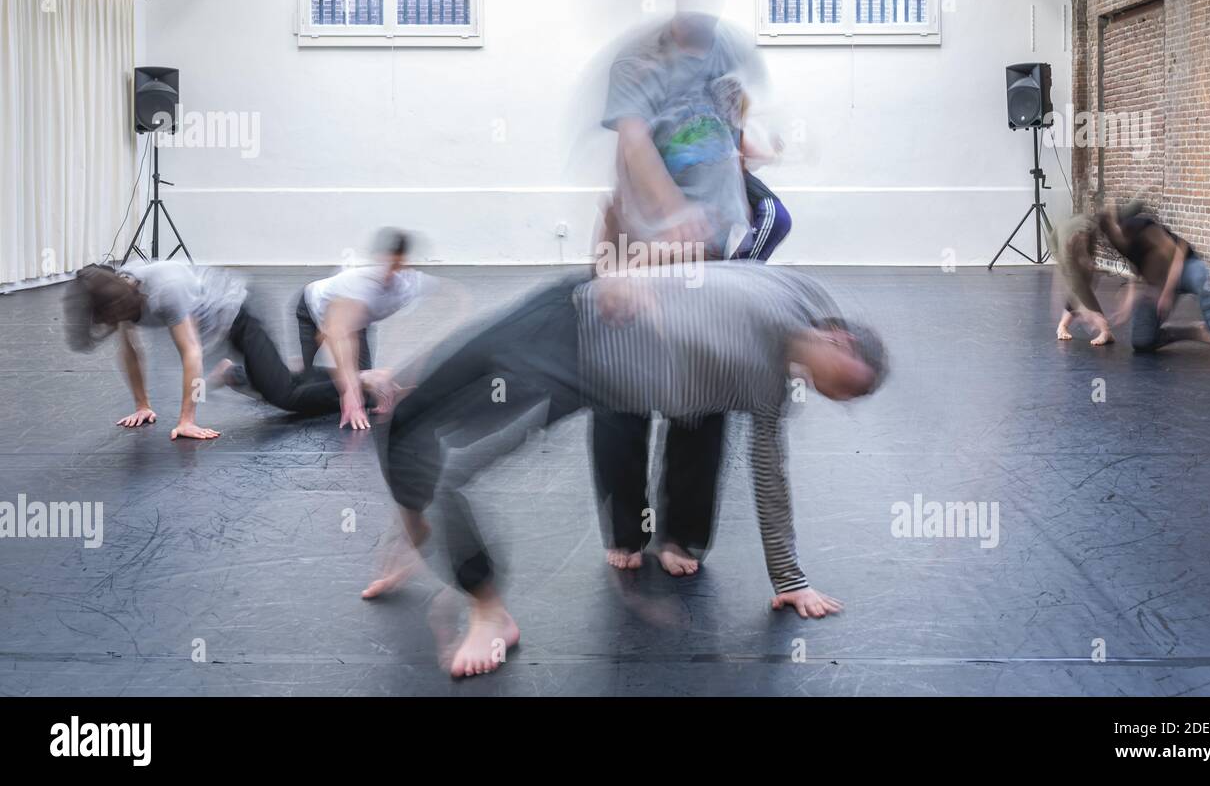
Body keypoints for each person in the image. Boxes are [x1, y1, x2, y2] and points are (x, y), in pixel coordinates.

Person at [364, 262, 888, 678]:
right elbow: (691, 248)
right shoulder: (785, 296)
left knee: (457, 469)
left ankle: (488, 609)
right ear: (838, 339)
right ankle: (414, 526)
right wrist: (626, 272)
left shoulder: (770, 389)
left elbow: (770, 472)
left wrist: (790, 579)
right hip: (565, 307)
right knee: (405, 420)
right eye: (849, 385)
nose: (841, 398)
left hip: (577, 370)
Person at [595, 0, 773, 577]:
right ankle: (627, 528)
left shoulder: (730, 51)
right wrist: (672, 212)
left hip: (715, 257)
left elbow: (729, 133)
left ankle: (680, 536)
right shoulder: (639, 60)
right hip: (644, 250)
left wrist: (760, 153)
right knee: (622, 393)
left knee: (702, 398)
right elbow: (634, 143)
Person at [63, 262, 388, 440]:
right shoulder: (124, 288)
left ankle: (364, 381)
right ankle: (237, 374)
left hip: (241, 315)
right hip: (219, 325)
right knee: (275, 383)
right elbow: (131, 350)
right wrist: (142, 405)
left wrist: (187, 420)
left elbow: (191, 352)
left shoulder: (165, 291)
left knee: (285, 397)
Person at [293, 229, 435, 430]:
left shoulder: (408, 283)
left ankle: (306, 370)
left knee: (365, 386)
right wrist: (350, 394)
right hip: (311, 307)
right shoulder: (359, 287)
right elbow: (332, 334)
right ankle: (241, 373)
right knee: (304, 384)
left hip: (354, 324)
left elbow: (456, 297)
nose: (393, 270)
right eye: (390, 263)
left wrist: (385, 381)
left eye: (398, 264)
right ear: (380, 259)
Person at [1098, 202, 1210, 373]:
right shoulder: (1116, 241)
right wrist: (1128, 301)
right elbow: (1137, 267)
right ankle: (1195, 331)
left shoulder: (1140, 227)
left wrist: (1166, 292)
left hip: (1185, 265)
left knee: (1203, 282)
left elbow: (1177, 253)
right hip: (1157, 281)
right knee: (1142, 341)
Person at [711, 73, 793, 263]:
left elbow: (757, 155)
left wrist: (776, 152)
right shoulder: (714, 132)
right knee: (738, 266)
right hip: (764, 214)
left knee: (745, 270)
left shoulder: (732, 132)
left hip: (772, 214)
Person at [1048, 212, 1114, 346]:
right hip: (1057, 241)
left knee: (1087, 279)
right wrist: (1090, 313)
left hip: (1082, 227)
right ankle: (1104, 331)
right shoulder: (1066, 253)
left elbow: (1086, 248)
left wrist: (1088, 261)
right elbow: (1076, 285)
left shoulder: (1090, 226)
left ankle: (1064, 325)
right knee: (1078, 288)